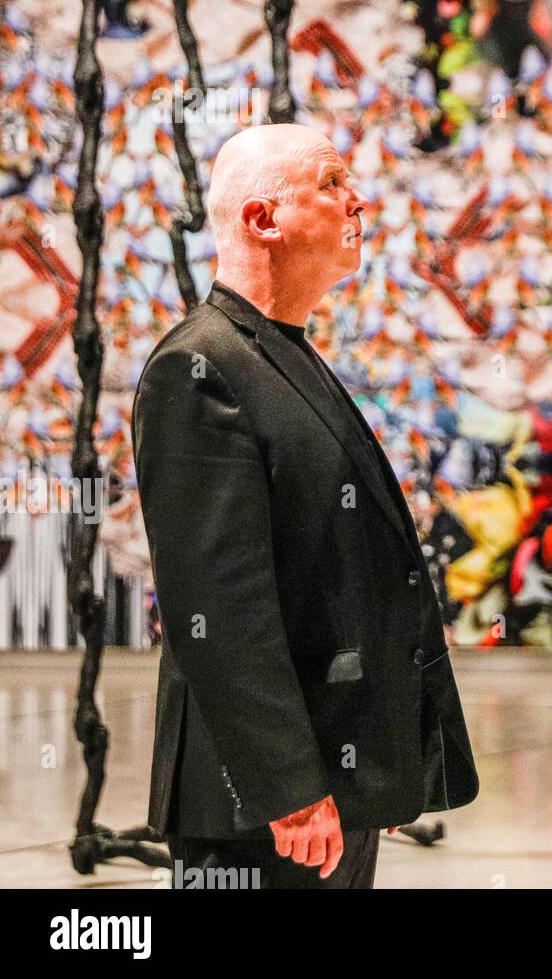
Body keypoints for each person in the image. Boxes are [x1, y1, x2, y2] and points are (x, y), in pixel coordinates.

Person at [133, 124, 478, 889]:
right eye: (331, 183)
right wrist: (289, 791)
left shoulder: (281, 352)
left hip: (333, 776)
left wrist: (381, 758)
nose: (357, 199)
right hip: (264, 806)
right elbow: (219, 609)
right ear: (262, 220)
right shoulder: (200, 366)